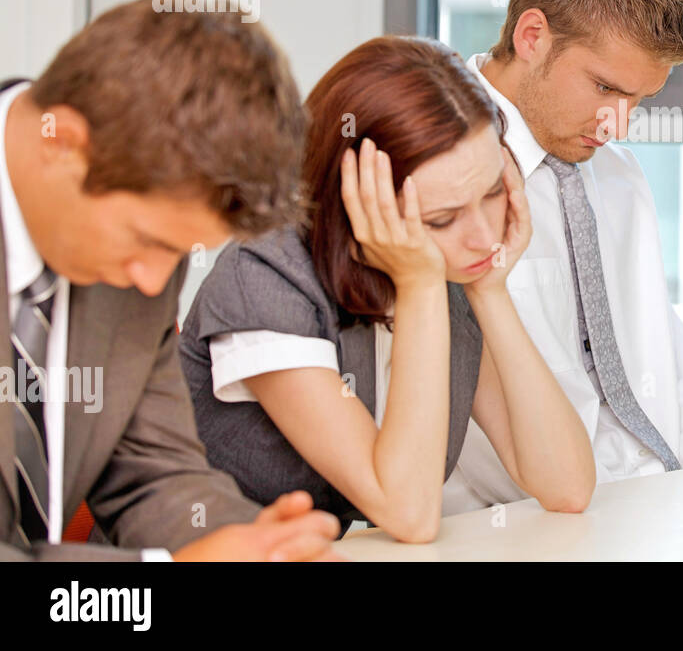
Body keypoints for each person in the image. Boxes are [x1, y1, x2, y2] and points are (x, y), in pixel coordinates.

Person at [180, 37, 595, 540]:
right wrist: (420, 288)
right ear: (357, 202)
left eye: (491, 193)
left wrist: (491, 292)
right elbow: (410, 513)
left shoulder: (456, 274)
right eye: (442, 218)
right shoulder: (265, 280)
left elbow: (567, 486)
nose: (484, 237)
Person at [2, 0, 341, 560]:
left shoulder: (140, 256)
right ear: (59, 143)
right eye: (148, 241)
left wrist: (256, 545)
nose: (156, 284)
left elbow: (154, 473)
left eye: (180, 252)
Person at [442, 0, 683, 514]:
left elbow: (671, 365)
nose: (618, 124)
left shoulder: (618, 174)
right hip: (517, 527)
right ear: (533, 36)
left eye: (639, 99)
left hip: (660, 514)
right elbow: (481, 441)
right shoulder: (439, 171)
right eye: (605, 87)